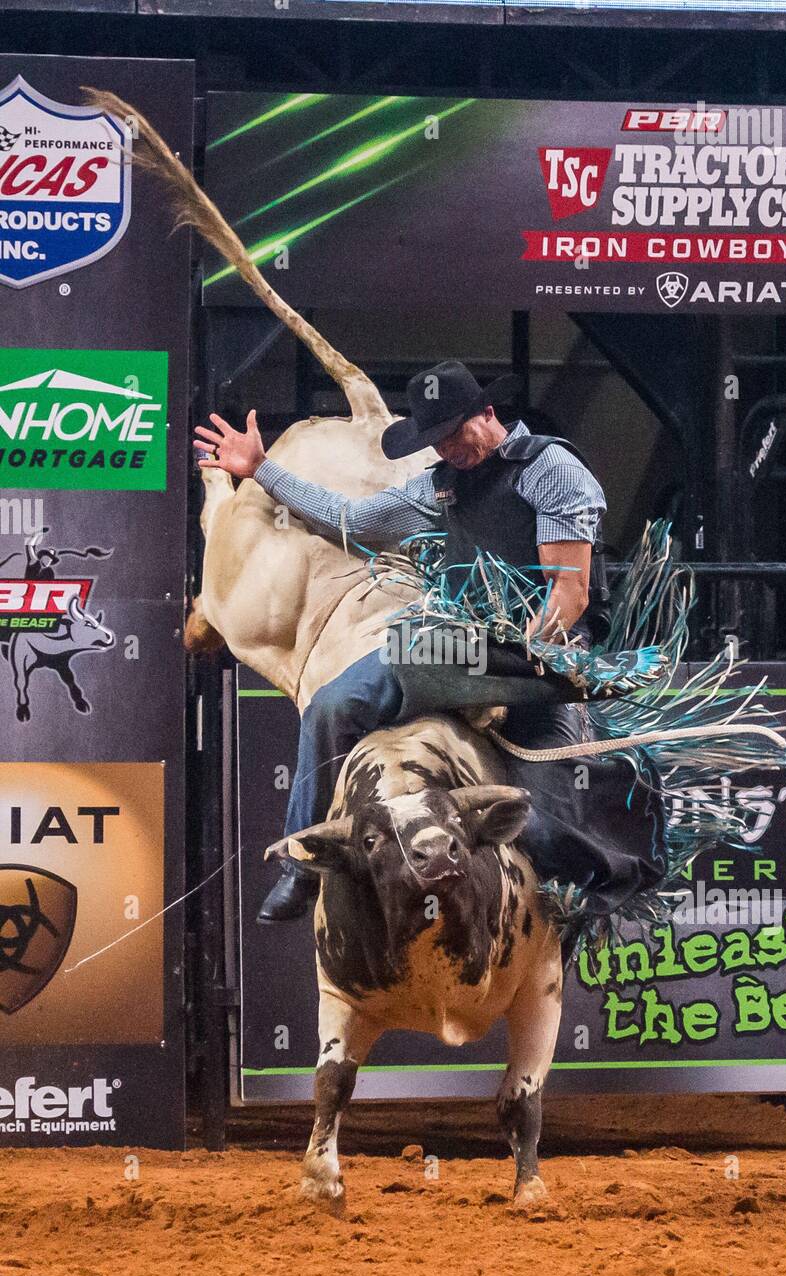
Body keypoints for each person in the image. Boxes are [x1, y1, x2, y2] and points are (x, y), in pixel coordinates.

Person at [194, 360, 608, 922]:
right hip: (462, 643)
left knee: (543, 824)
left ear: (487, 414)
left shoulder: (549, 469)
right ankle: (301, 867)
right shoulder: (438, 485)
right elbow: (347, 519)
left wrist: (518, 673)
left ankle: (585, 893)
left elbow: (568, 595)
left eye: (453, 435)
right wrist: (262, 468)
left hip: (543, 654)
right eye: (434, 441)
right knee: (332, 706)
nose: (447, 450)